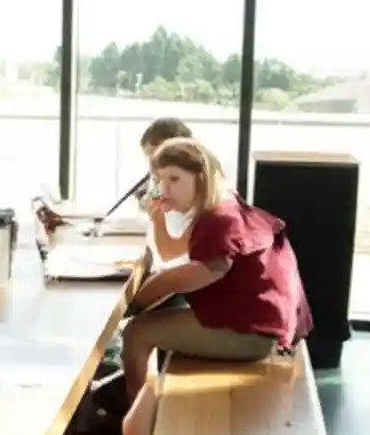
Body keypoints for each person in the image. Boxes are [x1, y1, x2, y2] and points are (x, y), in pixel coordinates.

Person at [121, 137, 312, 401]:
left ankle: (131, 412)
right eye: (159, 180)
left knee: (136, 332)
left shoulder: (219, 219)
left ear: (201, 177)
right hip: (258, 322)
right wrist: (157, 216)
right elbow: (173, 250)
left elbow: (186, 278)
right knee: (159, 312)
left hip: (254, 335)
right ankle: (143, 401)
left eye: (174, 180)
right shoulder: (221, 204)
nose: (163, 189)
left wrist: (132, 303)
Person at [137, 117, 193, 268]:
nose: (151, 166)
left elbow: (169, 253)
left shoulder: (203, 197)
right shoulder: (160, 179)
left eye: (157, 157)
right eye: (149, 157)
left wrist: (157, 216)